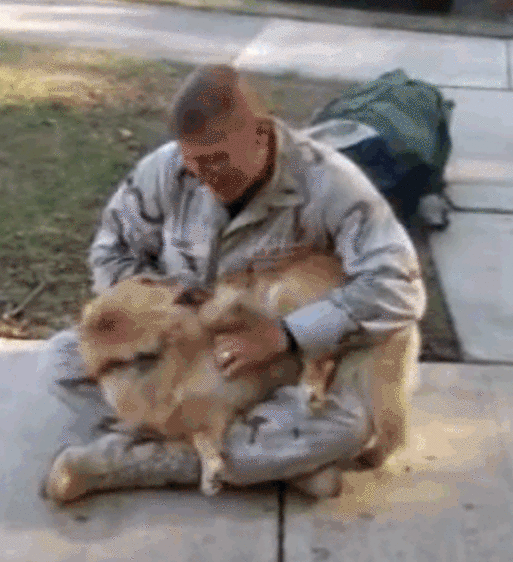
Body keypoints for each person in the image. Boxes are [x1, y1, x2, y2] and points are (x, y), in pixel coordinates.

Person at [38, 65, 426, 504]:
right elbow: (111, 250)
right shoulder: (166, 170)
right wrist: (159, 312)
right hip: (191, 354)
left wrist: (286, 336)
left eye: (218, 161)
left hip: (293, 369)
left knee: (348, 427)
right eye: (194, 163)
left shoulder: (330, 183)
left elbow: (399, 287)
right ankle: (274, 462)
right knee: (61, 361)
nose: (203, 177)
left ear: (261, 136)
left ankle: (134, 461)